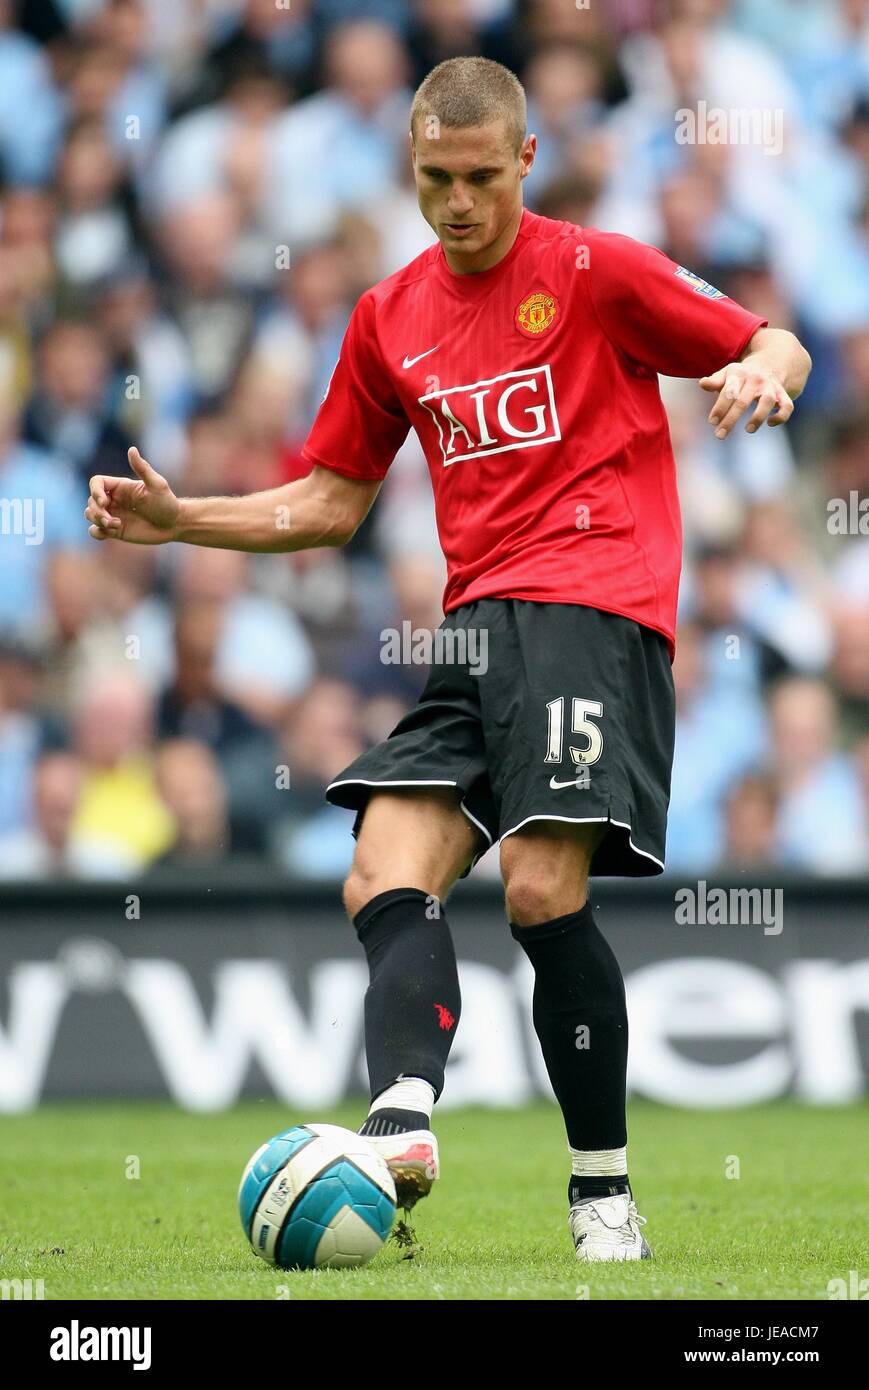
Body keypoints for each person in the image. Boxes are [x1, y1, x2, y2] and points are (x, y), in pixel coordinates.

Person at [84, 56, 811, 1263]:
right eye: (434, 179)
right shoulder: (387, 317)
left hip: (593, 602)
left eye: (479, 177)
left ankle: (600, 1199)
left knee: (537, 886)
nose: (458, 203)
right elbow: (327, 505)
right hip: (474, 628)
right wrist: (183, 519)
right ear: (409, 168)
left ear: (524, 161)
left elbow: (772, 338)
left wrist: (754, 373)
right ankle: (401, 1123)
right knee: (380, 873)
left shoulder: (593, 269)